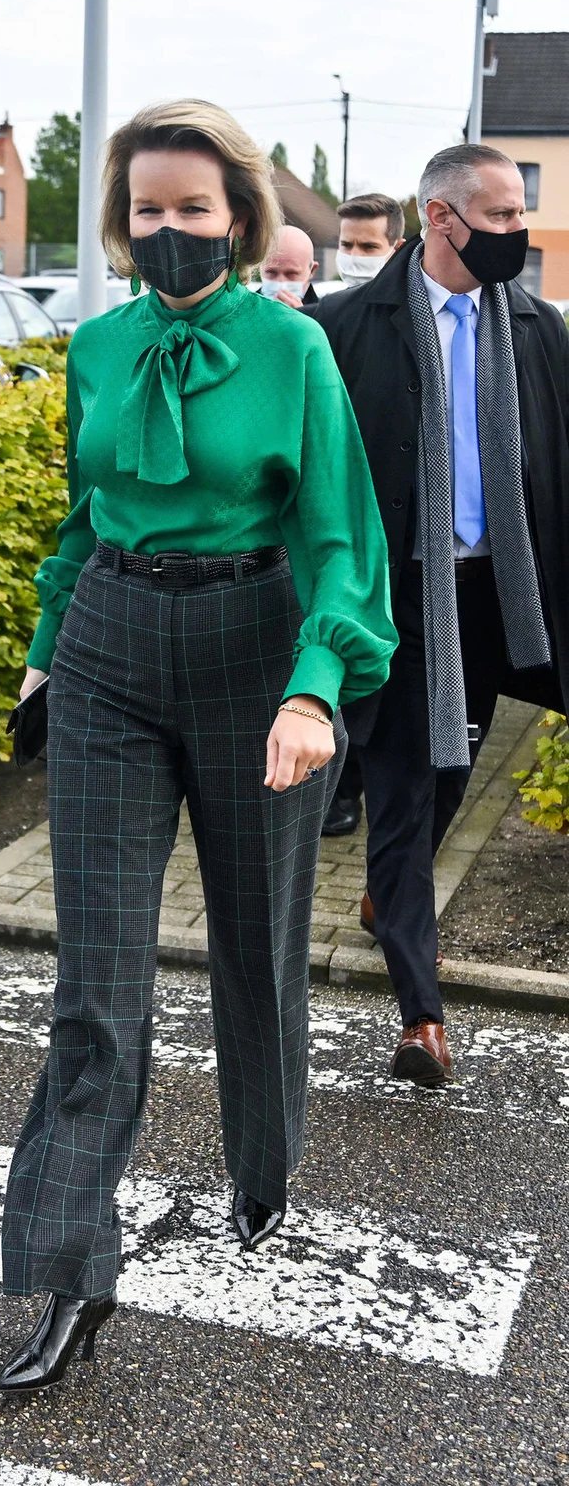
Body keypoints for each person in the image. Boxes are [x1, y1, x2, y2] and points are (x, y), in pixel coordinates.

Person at [0, 98, 396, 1394]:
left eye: (193, 208)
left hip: (252, 648)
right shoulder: (97, 345)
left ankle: (260, 1169)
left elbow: (338, 534)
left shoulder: (293, 347)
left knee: (257, 944)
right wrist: (45, 648)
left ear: (239, 218)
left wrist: (315, 688)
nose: (168, 228)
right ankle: (68, 1268)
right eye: (147, 210)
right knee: (95, 978)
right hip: (108, 647)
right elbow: (83, 514)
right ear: (123, 222)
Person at [314, 144, 569, 1087]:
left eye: (519, 215)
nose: (517, 232)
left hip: (498, 597)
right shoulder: (346, 328)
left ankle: (392, 899)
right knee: (404, 792)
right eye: (501, 216)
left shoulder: (537, 327)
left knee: (452, 776)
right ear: (439, 217)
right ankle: (421, 1014)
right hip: (399, 596)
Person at [322, 193, 406, 837]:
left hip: (395, 523)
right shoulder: (325, 319)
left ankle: (366, 784)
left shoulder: (413, 323)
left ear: (396, 248)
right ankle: (337, 788)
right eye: (346, 245)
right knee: (339, 651)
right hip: (335, 522)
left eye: (367, 247)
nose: (352, 257)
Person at [335, 193, 407, 288]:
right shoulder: (328, 296)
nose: (354, 255)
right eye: (346, 245)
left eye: (368, 247)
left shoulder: (416, 296)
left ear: (398, 249)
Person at [259, 223, 319, 308]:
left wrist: (302, 314)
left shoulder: (326, 314)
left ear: (312, 270)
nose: (280, 282)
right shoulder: (243, 310)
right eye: (271, 272)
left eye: (291, 273)